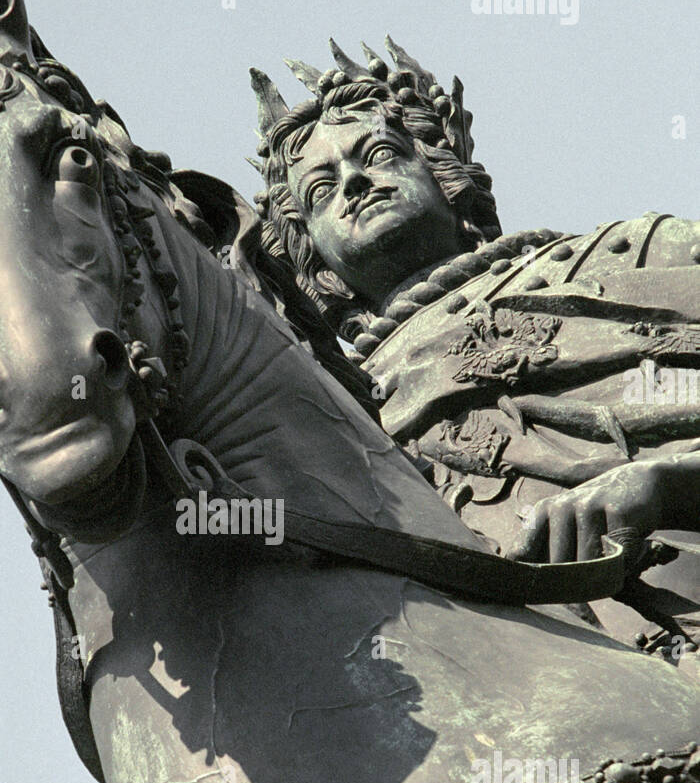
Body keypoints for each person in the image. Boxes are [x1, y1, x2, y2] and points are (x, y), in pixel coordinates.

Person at [246, 37, 700, 657]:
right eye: (321, 190)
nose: (354, 181)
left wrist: (668, 482)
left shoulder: (635, 250)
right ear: (311, 253)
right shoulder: (342, 425)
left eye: (378, 152)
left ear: (439, 166)